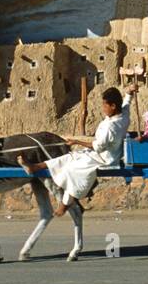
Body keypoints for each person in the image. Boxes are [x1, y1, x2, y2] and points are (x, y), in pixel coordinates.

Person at [20, 85, 133, 216]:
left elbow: (98, 146)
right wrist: (129, 93)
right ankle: (35, 167)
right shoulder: (123, 116)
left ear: (113, 106)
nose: (103, 108)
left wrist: (76, 142)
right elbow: (126, 104)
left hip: (104, 158)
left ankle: (64, 204)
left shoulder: (111, 127)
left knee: (73, 169)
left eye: (104, 105)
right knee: (68, 157)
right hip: (105, 153)